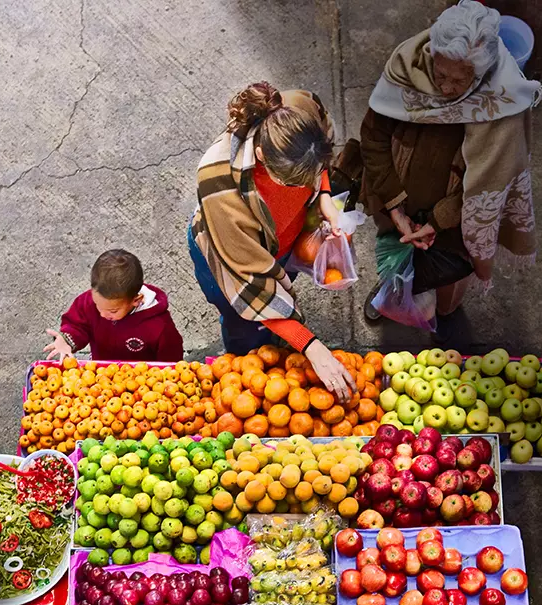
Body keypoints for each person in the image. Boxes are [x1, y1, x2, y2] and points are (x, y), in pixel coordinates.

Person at [360, 0, 540, 329]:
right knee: (395, 250)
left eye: (460, 82)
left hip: (458, 216)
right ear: (431, 53)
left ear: (482, 73)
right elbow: (374, 137)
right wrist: (396, 208)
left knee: (450, 276)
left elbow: (494, 181)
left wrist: (440, 219)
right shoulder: (407, 65)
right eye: (440, 74)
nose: (445, 89)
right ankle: (394, 289)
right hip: (399, 195)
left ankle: (447, 313)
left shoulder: (503, 99)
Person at [188, 81, 355, 402]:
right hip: (227, 257)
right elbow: (253, 284)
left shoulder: (298, 110)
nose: (301, 185)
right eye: (293, 181)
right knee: (243, 323)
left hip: (283, 241)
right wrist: (311, 345)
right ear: (262, 156)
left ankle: (276, 331)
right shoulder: (220, 182)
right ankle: (245, 357)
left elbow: (322, 153)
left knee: (280, 289)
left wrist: (322, 195)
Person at [44, 249, 184, 362]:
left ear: (136, 300)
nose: (102, 314)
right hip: (101, 378)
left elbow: (171, 360)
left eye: (113, 311)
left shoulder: (160, 326)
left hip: (143, 385)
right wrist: (66, 340)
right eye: (97, 305)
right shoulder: (90, 301)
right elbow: (78, 324)